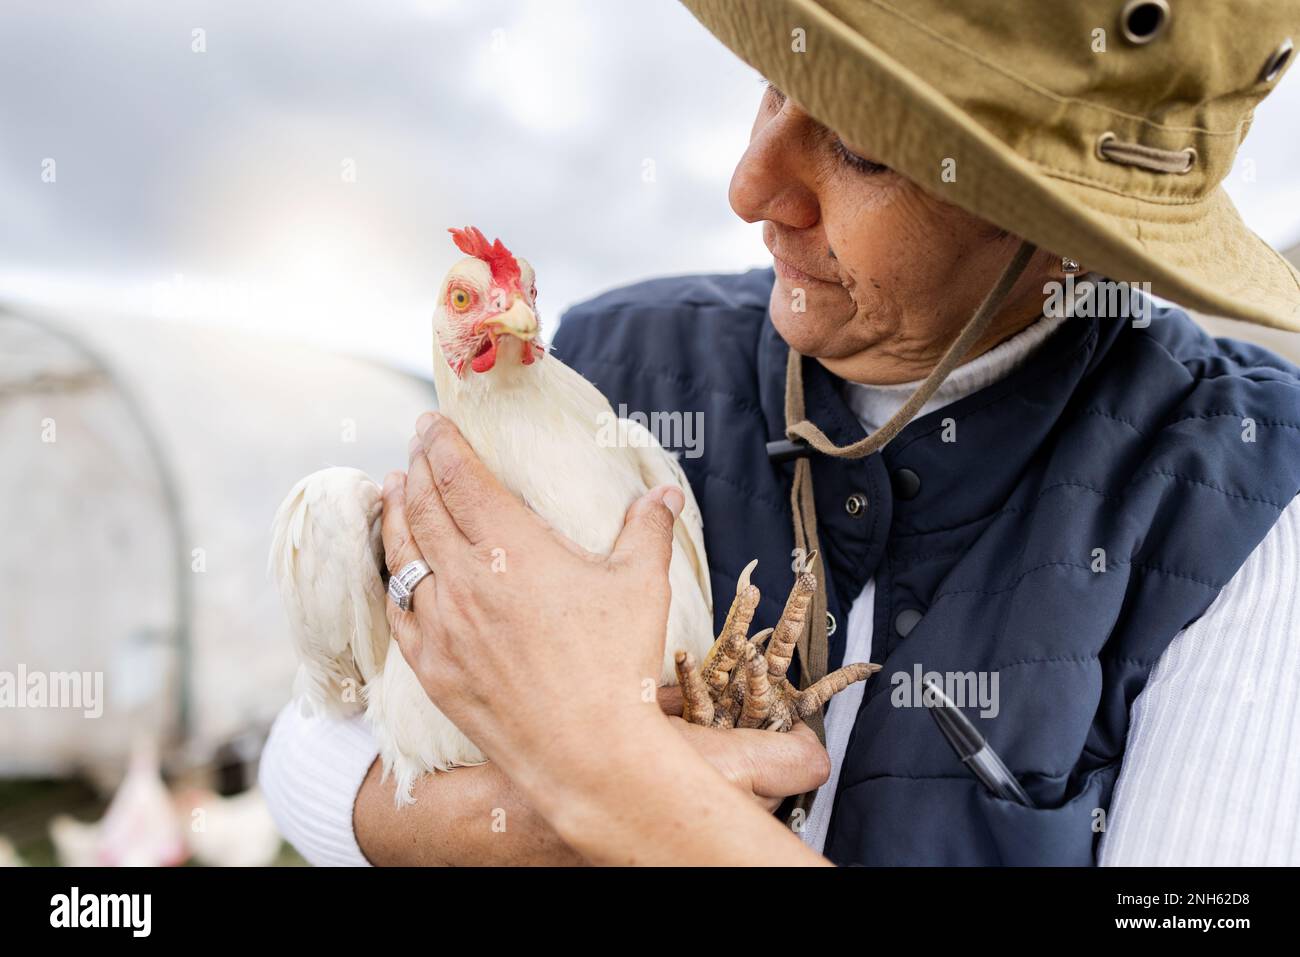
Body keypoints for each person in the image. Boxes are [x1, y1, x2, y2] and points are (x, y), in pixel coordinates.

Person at [260, 0, 1300, 865]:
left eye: (859, 148)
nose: (751, 186)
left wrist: (609, 777)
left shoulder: (1243, 497)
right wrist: (522, 820)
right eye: (773, 90)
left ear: (1064, 226)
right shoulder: (622, 363)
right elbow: (310, 757)